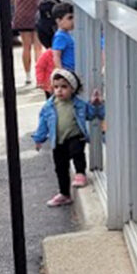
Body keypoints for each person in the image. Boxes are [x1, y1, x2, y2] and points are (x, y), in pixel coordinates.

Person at [32, 68, 105, 208]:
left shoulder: (78, 104)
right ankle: (64, 193)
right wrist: (39, 138)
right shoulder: (49, 106)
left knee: (77, 151)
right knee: (60, 167)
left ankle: (80, 174)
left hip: (75, 136)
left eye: (64, 87)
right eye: (56, 87)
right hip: (58, 141)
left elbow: (93, 114)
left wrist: (97, 104)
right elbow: (43, 124)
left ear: (73, 89)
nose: (59, 90)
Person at [9, 0, 51, 85]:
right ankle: (39, 77)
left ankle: (27, 77)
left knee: (25, 46)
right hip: (38, 16)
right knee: (38, 48)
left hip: (22, 16)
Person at [51, 2, 76, 72]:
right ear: (59, 21)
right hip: (68, 71)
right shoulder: (60, 36)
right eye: (69, 18)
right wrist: (61, 72)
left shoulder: (67, 35)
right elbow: (56, 56)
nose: (73, 21)